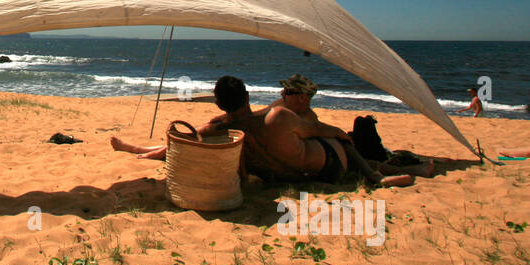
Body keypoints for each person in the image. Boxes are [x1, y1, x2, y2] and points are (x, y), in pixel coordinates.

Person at [111, 75, 419, 187]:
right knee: (346, 138)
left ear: (219, 105)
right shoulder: (278, 118)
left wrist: (140, 150)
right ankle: (377, 176)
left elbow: (184, 143)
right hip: (330, 168)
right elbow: (319, 130)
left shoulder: (224, 132)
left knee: (338, 138)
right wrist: (340, 133)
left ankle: (390, 167)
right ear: (246, 97)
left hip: (289, 176)